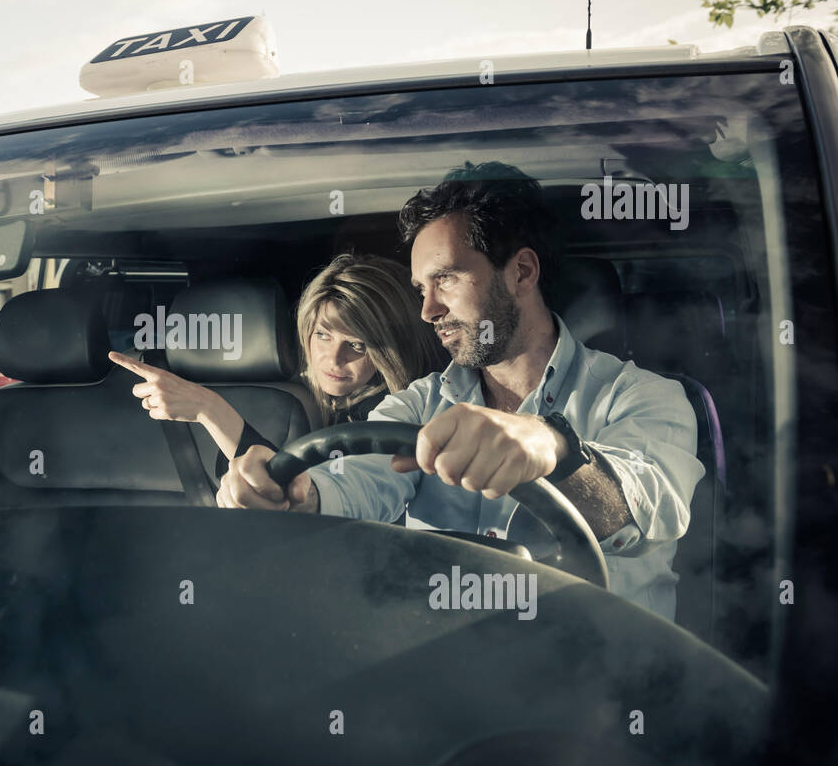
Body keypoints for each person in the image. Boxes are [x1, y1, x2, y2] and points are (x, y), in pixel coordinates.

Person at [215, 161, 705, 621]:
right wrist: (301, 494)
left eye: (445, 279)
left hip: (602, 685)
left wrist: (552, 446)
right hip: (444, 678)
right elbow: (359, 479)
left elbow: (643, 513)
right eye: (420, 288)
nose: (428, 310)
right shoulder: (418, 404)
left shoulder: (641, 395)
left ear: (522, 272)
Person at [108, 254, 445, 474]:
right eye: (323, 336)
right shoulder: (289, 388)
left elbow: (298, 500)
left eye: (357, 345)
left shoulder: (394, 417)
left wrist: (209, 408)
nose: (333, 358)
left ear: (392, 350)